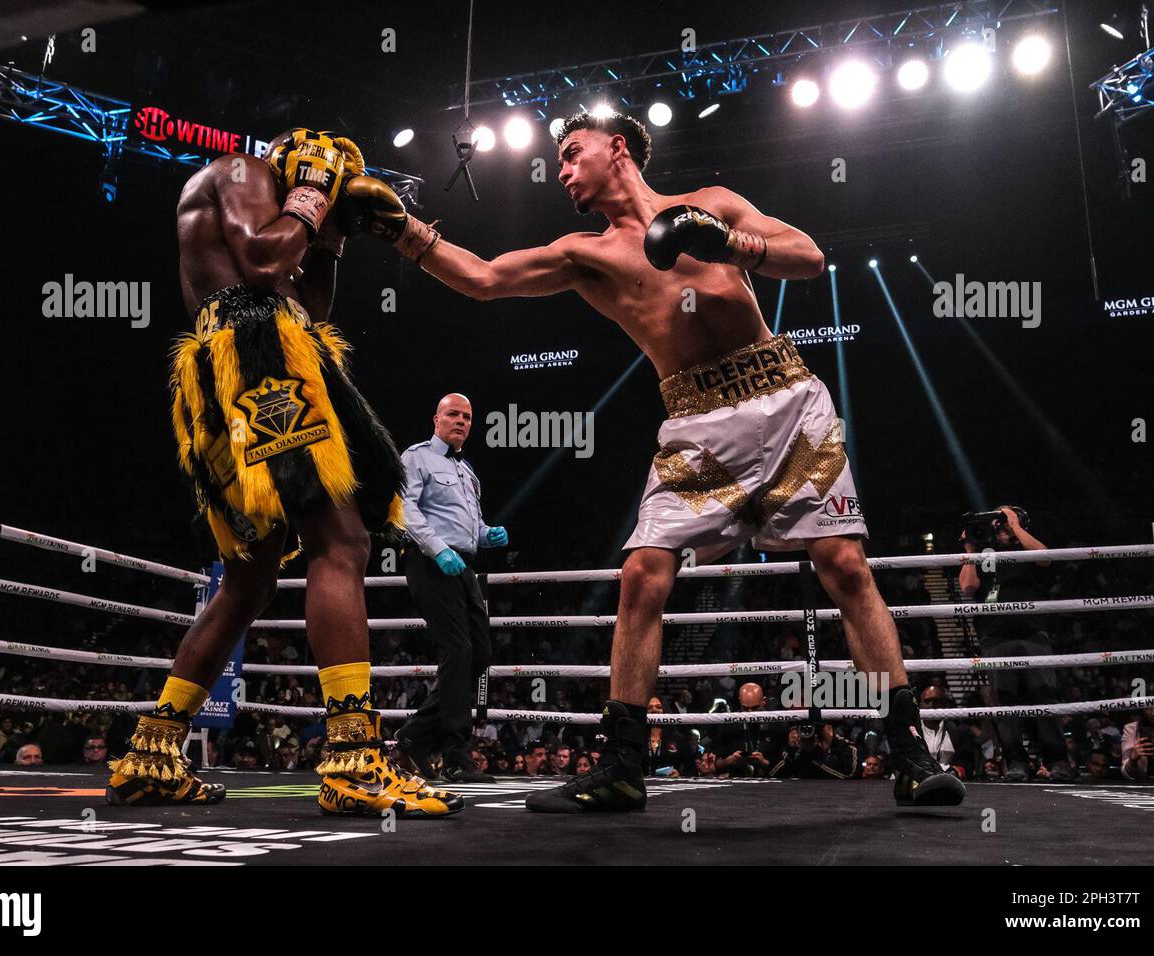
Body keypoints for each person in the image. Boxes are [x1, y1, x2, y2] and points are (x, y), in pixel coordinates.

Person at [338, 109, 963, 810]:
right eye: (560, 162)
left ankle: (910, 756)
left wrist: (727, 242)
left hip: (787, 400)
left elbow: (810, 258)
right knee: (642, 575)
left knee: (845, 565)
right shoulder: (586, 254)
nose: (564, 171)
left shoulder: (713, 205)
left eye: (573, 154)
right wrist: (401, 230)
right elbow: (483, 278)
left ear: (620, 148)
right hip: (695, 425)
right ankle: (623, 765)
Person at [105, 127, 461, 817]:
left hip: (254, 358)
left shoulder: (281, 207)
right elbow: (267, 265)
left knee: (250, 578)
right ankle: (354, 760)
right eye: (325, 178)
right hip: (255, 359)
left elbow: (312, 308)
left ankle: (151, 752)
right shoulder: (242, 169)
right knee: (342, 540)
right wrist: (310, 195)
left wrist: (330, 239)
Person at [394, 392, 507, 784]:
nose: (461, 421)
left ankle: (413, 737)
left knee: (479, 653)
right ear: (437, 418)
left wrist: (486, 534)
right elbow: (406, 510)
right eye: (453, 414)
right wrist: (439, 549)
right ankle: (457, 754)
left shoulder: (468, 471)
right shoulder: (416, 457)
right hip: (430, 562)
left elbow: (471, 526)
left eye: (468, 417)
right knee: (457, 650)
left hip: (464, 568)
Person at [958, 505, 1070, 781]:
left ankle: (1057, 761)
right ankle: (1015, 761)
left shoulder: (1027, 548)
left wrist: (1016, 526)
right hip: (995, 634)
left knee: (1044, 696)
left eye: (1004, 521)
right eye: (999, 522)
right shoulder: (985, 553)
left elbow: (1045, 558)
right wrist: (971, 549)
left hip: (1032, 632)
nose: (1000, 526)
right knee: (1004, 701)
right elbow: (968, 587)